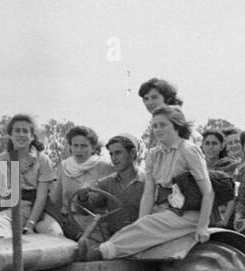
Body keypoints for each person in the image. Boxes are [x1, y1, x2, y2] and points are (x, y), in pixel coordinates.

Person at [78, 106, 212, 261]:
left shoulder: (188, 150)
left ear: (177, 126)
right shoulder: (154, 154)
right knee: (136, 228)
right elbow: (148, 194)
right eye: (154, 126)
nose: (157, 129)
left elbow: (208, 192)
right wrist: (141, 222)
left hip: (187, 214)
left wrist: (202, 226)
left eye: (163, 125)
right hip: (165, 211)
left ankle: (100, 253)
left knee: (146, 226)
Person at [0, 113, 62, 238]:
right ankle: (10, 253)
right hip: (11, 209)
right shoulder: (0, 161)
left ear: (32, 136)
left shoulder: (42, 160)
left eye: (25, 131)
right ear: (10, 135)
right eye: (17, 131)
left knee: (55, 233)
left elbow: (41, 197)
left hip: (38, 211)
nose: (21, 134)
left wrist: (30, 224)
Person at [69, 134, 144, 242]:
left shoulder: (148, 182)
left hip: (142, 238)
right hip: (114, 239)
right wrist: (83, 198)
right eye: (111, 154)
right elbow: (86, 209)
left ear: (132, 153)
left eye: (118, 153)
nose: (114, 158)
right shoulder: (105, 183)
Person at [48, 125, 109, 221]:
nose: (79, 150)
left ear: (93, 148)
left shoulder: (105, 167)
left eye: (84, 146)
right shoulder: (63, 167)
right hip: (67, 222)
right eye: (75, 145)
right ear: (70, 147)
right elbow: (55, 200)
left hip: (95, 223)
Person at [138, 77, 183, 150]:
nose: (150, 102)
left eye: (154, 97)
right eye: (146, 99)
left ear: (167, 98)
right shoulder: (155, 122)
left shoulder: (174, 118)